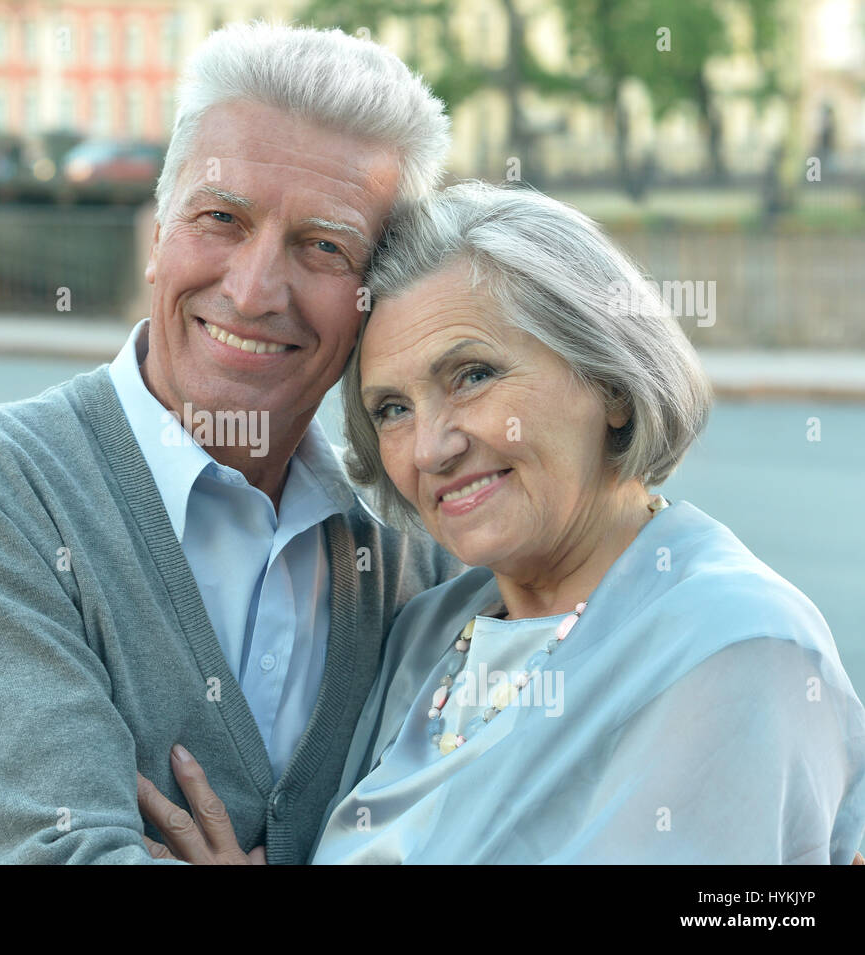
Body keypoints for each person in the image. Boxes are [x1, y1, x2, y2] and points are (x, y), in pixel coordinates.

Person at [0, 22, 461, 864]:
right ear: (158, 233)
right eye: (221, 218)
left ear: (379, 296)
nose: (254, 292)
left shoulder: (423, 569)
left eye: (324, 246)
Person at [137, 181, 865, 863]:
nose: (433, 446)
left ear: (610, 382)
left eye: (473, 374)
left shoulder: (736, 645)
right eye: (393, 408)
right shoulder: (434, 631)